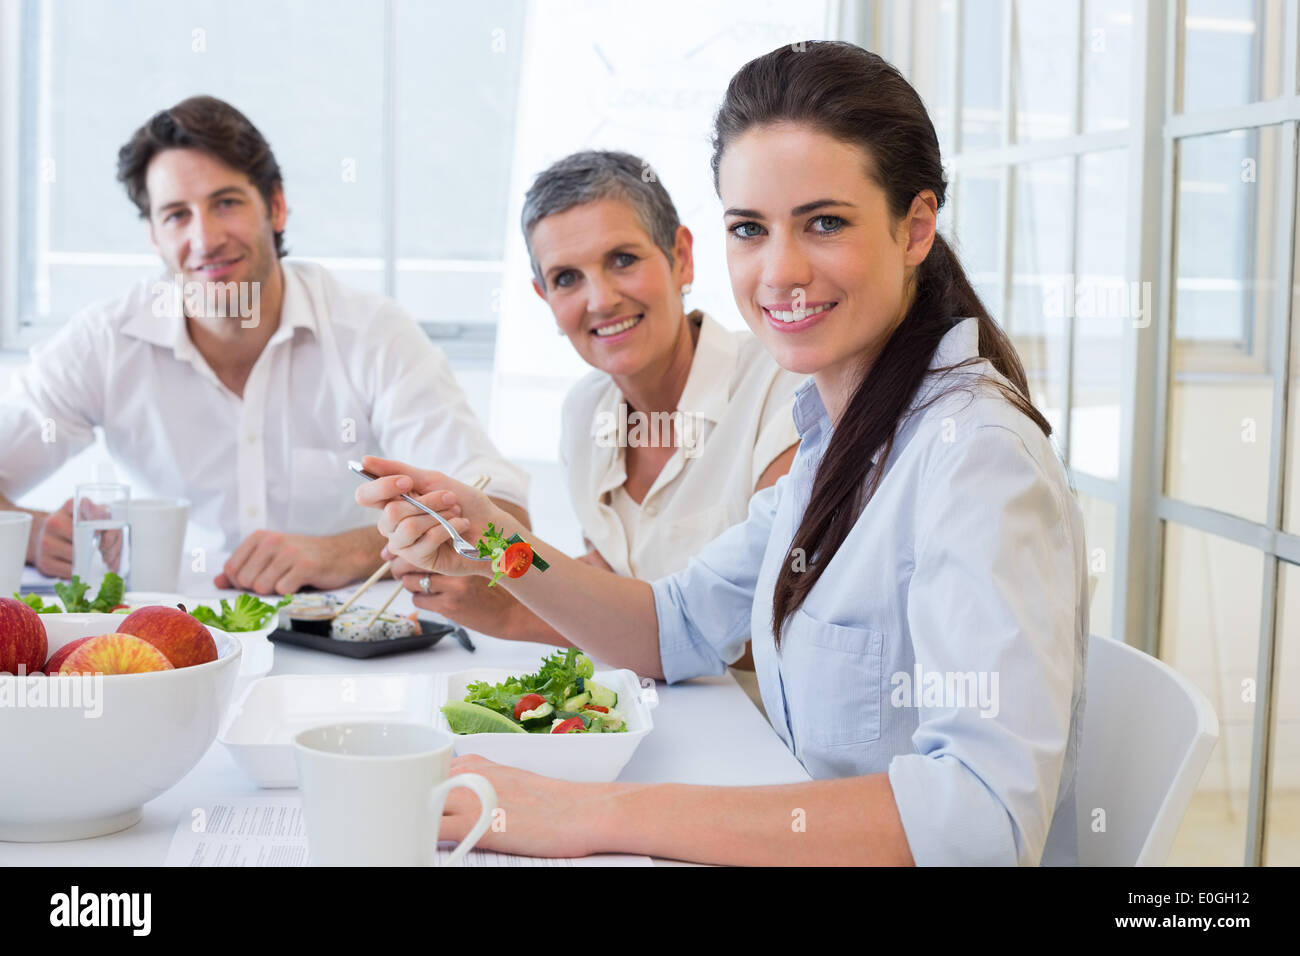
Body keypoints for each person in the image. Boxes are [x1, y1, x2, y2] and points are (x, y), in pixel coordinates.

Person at [357, 41, 1088, 866]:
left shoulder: (974, 456)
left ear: (914, 228)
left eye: (825, 223)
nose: (780, 272)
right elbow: (670, 627)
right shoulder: (840, 435)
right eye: (751, 228)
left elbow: (982, 820)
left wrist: (595, 816)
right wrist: (488, 534)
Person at [0, 95, 529, 595]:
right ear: (154, 237)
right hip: (170, 645)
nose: (205, 239)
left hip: (349, 651)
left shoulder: (370, 332)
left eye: (225, 203)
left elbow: (506, 521)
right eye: (177, 215)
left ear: (275, 208)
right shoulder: (106, 342)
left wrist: (348, 552)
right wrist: (30, 534)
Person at [388, 150, 803, 712]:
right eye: (566, 278)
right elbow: (604, 582)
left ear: (681, 258)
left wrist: (514, 599)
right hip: (651, 726)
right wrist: (490, 564)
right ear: (545, 299)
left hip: (763, 744)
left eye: (623, 259)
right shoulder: (585, 413)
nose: (600, 299)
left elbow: (768, 628)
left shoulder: (783, 388)